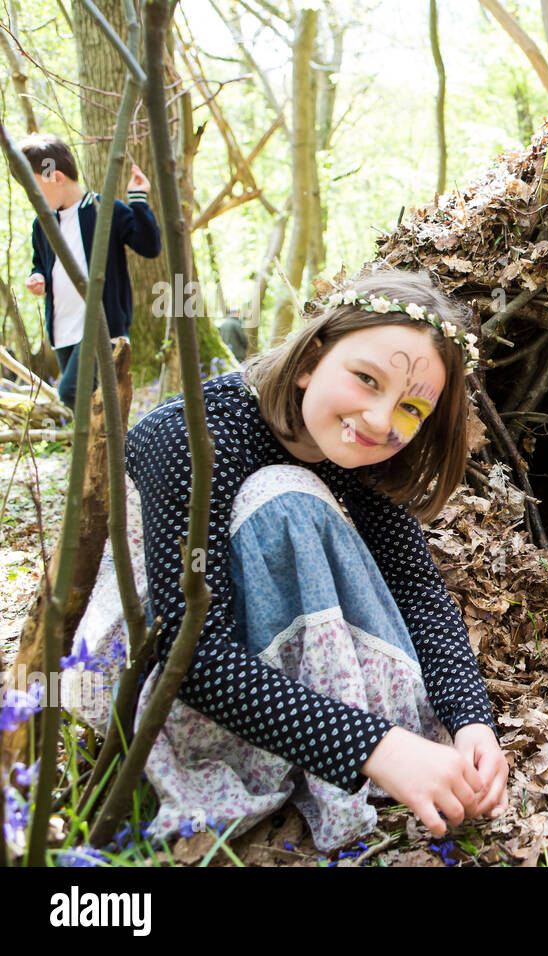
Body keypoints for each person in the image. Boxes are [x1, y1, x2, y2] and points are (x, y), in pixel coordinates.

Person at [71, 269, 506, 851]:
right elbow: (190, 652)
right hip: (167, 678)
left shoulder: (359, 457)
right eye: (366, 379)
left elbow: (419, 594)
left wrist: (472, 719)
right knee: (282, 498)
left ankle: (384, 748)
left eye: (410, 409)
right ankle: (365, 752)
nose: (380, 421)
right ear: (310, 360)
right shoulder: (193, 435)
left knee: (300, 501)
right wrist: (374, 746)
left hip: (281, 686)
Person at [19, 134, 161, 408]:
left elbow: (149, 245)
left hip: (101, 326)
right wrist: (38, 277)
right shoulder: (43, 225)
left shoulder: (104, 210)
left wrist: (138, 199)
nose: (31, 196)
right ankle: (109, 451)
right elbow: (42, 263)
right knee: (89, 409)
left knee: (73, 391)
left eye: (34, 188)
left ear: (57, 177)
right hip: (63, 330)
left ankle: (118, 447)